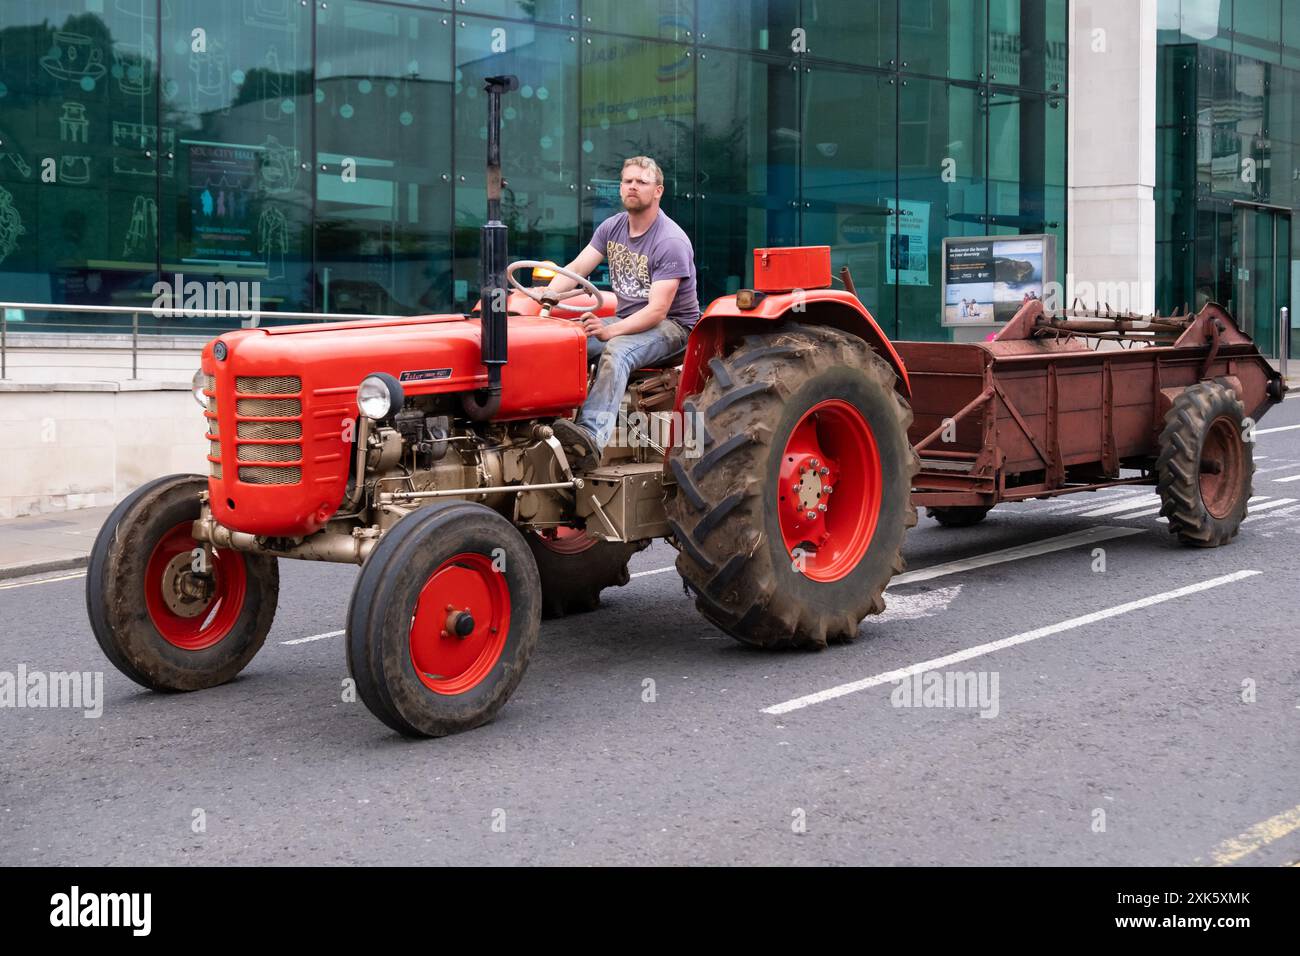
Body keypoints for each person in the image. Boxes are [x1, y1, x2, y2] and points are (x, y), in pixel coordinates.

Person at [540, 156, 700, 471]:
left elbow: (657, 311)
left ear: (658, 191)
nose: (632, 187)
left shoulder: (670, 241)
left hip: (673, 329)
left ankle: (588, 439)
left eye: (641, 182)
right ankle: (542, 425)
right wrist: (547, 297)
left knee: (615, 351)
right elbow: (576, 268)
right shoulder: (612, 228)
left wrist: (611, 331)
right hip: (629, 320)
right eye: (627, 181)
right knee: (569, 339)